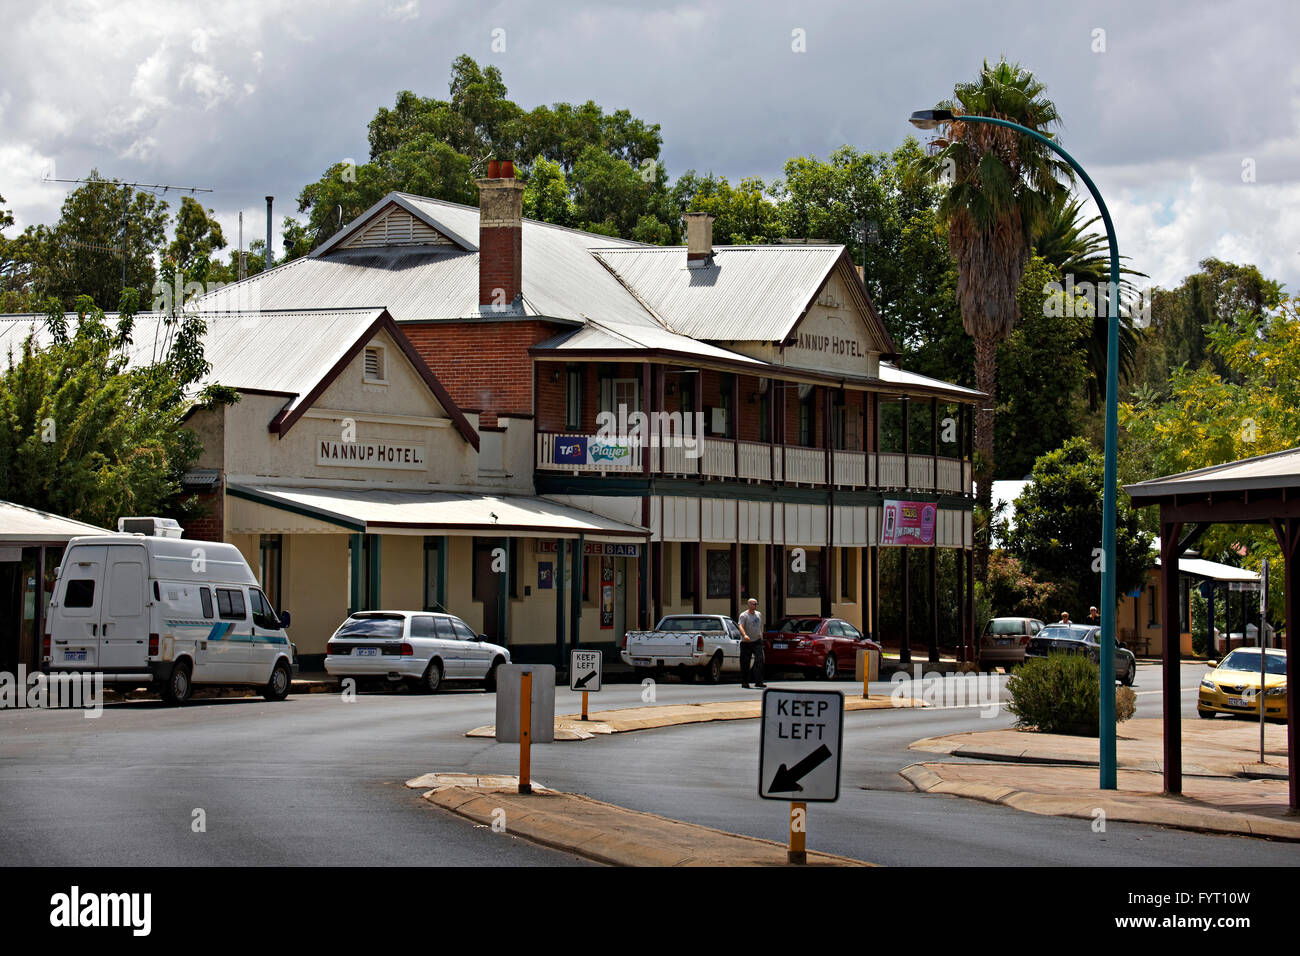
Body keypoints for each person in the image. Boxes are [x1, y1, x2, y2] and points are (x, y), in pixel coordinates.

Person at [737, 598, 766, 688]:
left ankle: (759, 681)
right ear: (749, 605)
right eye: (753, 604)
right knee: (745, 662)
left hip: (757, 641)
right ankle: (745, 682)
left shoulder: (758, 614)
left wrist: (761, 636)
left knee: (760, 660)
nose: (755, 605)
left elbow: (760, 626)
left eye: (756, 604)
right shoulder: (744, 615)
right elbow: (740, 626)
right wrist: (744, 635)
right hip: (746, 642)